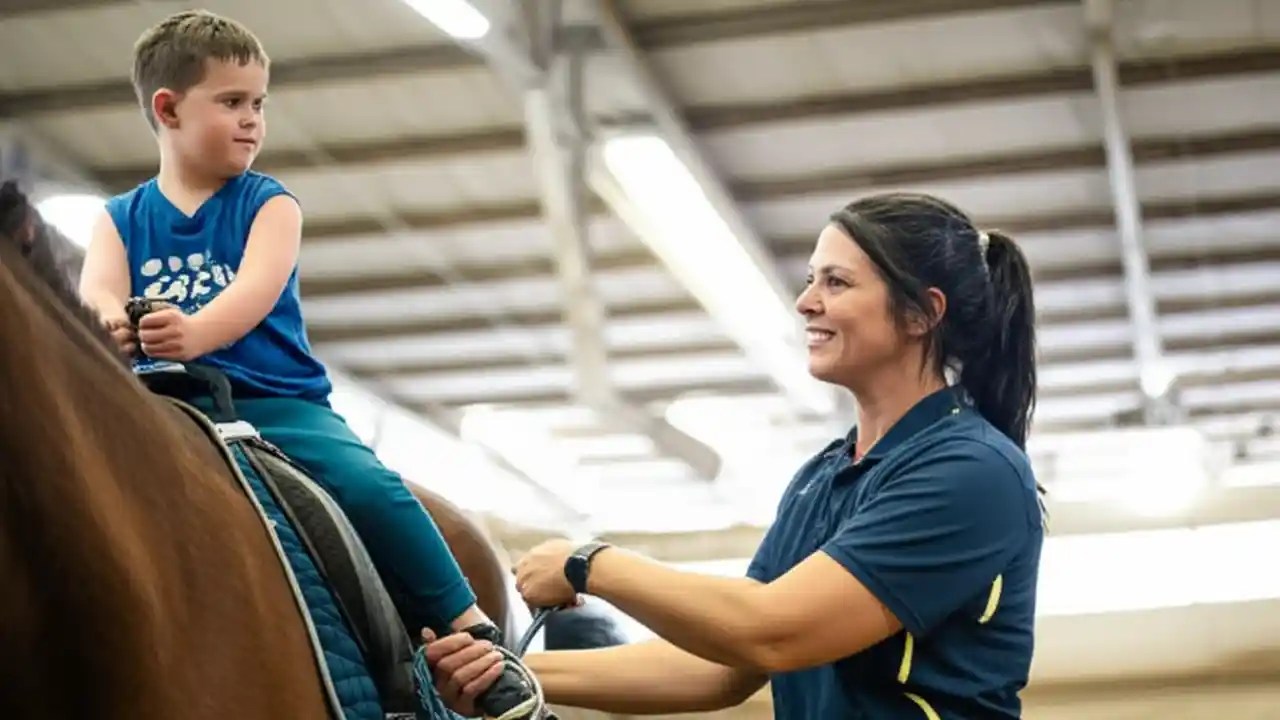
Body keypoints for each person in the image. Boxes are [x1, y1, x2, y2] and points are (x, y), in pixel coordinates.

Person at [76, 10, 544, 720]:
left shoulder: (269, 204)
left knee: (369, 486)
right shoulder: (117, 216)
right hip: (162, 408)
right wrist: (112, 327)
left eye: (258, 104)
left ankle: (467, 624)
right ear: (167, 109)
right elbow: (97, 292)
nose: (252, 121)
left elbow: (253, 293)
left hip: (274, 405)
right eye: (232, 102)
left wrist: (194, 331)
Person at [424, 192, 1047, 719]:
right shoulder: (824, 477)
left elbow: (771, 630)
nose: (807, 302)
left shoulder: (971, 471)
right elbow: (725, 665)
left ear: (922, 313)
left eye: (837, 282)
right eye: (811, 280)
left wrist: (591, 564)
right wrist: (509, 672)